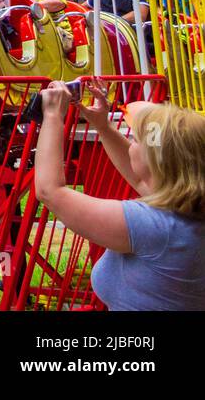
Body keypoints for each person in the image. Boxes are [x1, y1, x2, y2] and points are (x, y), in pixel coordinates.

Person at [35, 82, 205, 310]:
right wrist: (103, 127)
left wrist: (53, 114)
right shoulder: (188, 209)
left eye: (135, 139)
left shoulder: (153, 226)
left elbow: (50, 192)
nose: (131, 144)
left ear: (155, 159)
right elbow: (140, 180)